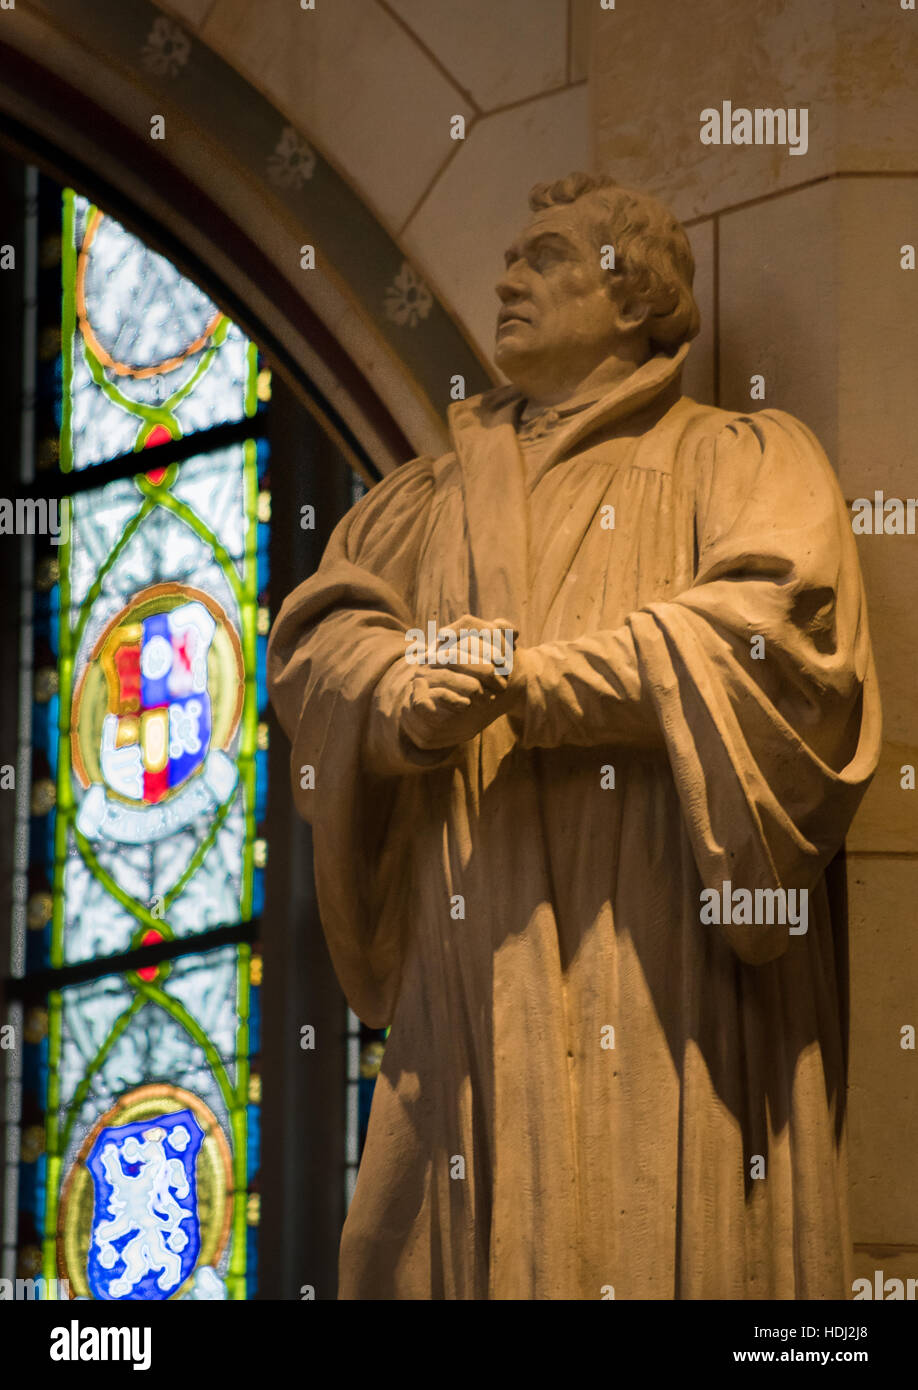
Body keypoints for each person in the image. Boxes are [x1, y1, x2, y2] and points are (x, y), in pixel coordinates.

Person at [267, 171, 880, 1299]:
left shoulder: (737, 458)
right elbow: (316, 649)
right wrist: (402, 697)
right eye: (509, 256)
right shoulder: (421, 502)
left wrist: (541, 686)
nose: (506, 277)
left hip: (651, 949)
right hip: (473, 956)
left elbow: (775, 637)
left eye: (545, 258)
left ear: (638, 297)